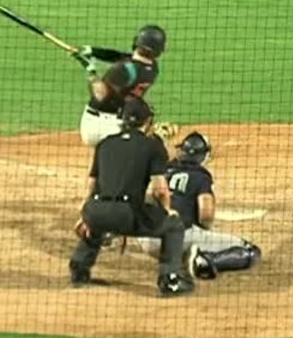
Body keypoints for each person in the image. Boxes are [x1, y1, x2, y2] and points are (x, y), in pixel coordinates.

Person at [68, 97, 201, 296]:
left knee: (97, 222)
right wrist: (167, 211)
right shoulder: (153, 146)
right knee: (173, 226)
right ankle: (170, 279)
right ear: (147, 122)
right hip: (126, 213)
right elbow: (160, 189)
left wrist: (85, 215)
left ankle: (79, 269)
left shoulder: (104, 144)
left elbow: (92, 185)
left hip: (96, 210)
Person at [134, 132, 262, 280]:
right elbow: (206, 216)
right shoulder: (201, 176)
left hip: (146, 240)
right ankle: (202, 262)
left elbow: (146, 198)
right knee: (250, 251)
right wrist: (203, 232)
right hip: (176, 239)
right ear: (204, 156)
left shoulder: (162, 169)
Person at [73, 25, 167, 147]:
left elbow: (100, 95)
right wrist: (92, 51)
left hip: (96, 127)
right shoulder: (152, 68)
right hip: (117, 124)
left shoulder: (122, 70)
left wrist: (90, 69)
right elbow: (120, 56)